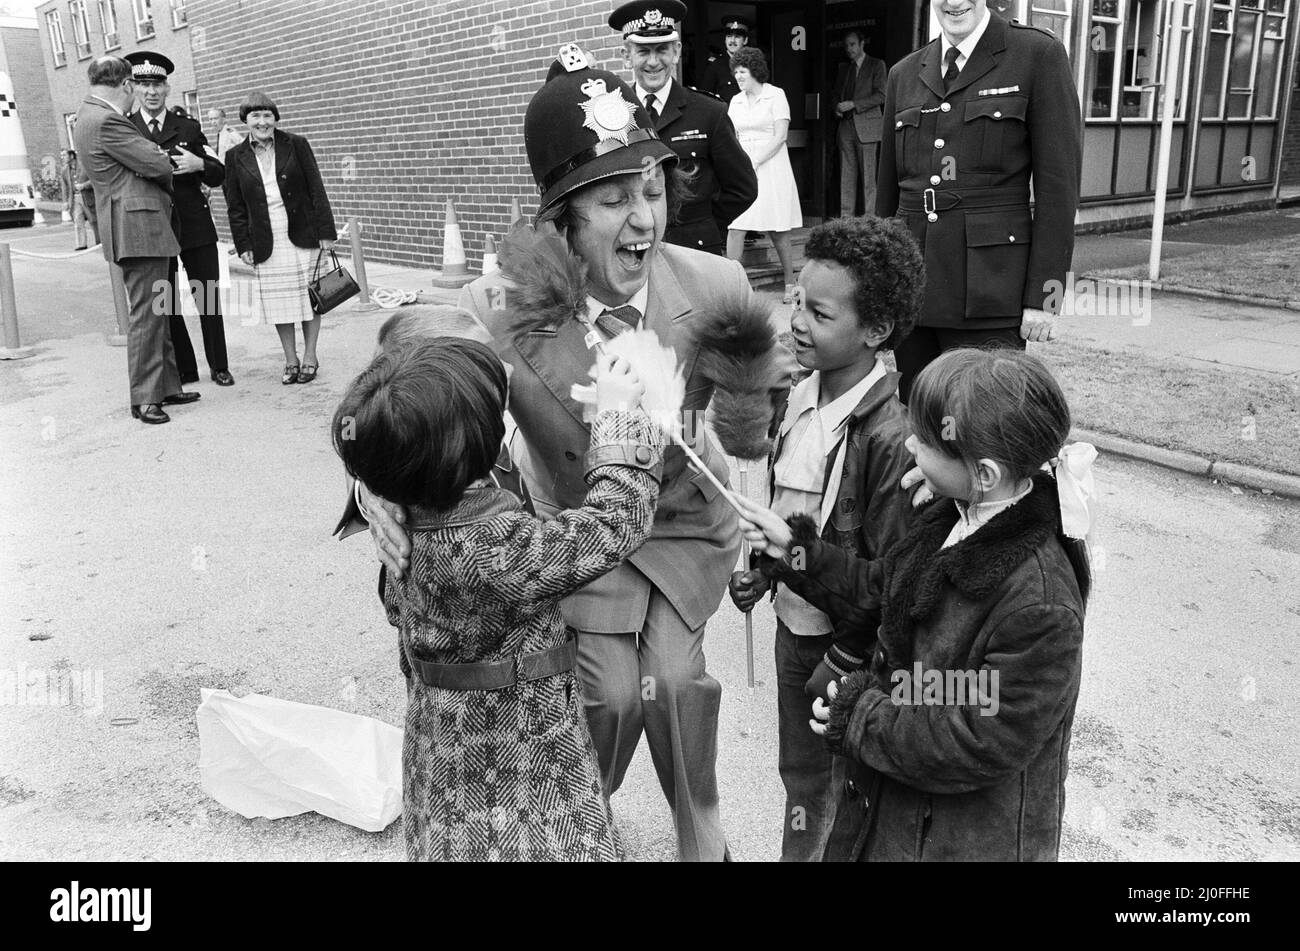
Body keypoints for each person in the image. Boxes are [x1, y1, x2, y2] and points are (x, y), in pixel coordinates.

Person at [362, 46, 789, 862]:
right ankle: (579, 816)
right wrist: (374, 484)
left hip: (690, 531)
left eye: (653, 190)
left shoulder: (716, 284)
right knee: (612, 694)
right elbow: (404, 381)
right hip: (580, 536)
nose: (644, 220)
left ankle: (700, 824)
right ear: (562, 219)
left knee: (675, 680)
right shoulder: (504, 308)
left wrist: (758, 496)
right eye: (613, 199)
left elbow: (764, 411)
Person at [742, 348, 1094, 861]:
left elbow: (980, 734)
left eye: (927, 441)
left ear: (986, 474)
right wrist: (794, 550)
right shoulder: (954, 518)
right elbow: (877, 590)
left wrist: (860, 717)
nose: (909, 443)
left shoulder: (1038, 602)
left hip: (962, 842)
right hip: (901, 817)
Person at [333, 337, 662, 861]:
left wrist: (370, 490)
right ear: (472, 447)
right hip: (524, 759)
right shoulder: (490, 548)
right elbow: (615, 524)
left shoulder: (409, 507)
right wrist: (618, 419)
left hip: (440, 748)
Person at [727, 217, 920, 861]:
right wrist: (762, 568)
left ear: (876, 331)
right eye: (794, 299)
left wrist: (846, 656)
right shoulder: (794, 395)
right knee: (801, 775)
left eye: (820, 312)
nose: (796, 320)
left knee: (842, 785)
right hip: (793, 632)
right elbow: (785, 506)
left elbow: (887, 579)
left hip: (845, 651)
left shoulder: (891, 437)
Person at [877, 0, 1083, 403]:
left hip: (990, 290)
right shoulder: (904, 73)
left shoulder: (1036, 55)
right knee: (919, 419)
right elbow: (887, 193)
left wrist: (1046, 296)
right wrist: (879, 289)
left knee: (986, 423)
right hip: (914, 288)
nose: (954, 3)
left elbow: (1059, 188)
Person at [73, 55, 199, 426]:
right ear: (127, 85)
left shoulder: (87, 115)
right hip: (138, 227)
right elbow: (158, 163)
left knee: (157, 308)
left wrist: (153, 158)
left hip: (133, 227)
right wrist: (158, 157)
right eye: (135, 88)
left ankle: (168, 386)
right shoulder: (108, 119)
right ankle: (145, 398)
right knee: (148, 314)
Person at [611, 0, 757, 255]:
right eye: (643, 51)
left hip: (696, 252)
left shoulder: (710, 112)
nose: (654, 61)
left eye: (662, 49)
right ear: (627, 55)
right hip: (633, 250)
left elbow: (743, 188)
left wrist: (704, 225)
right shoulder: (613, 116)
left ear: (676, 51)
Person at [125, 52, 234, 388]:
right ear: (133, 88)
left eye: (157, 84)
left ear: (167, 87)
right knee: (168, 302)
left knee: (208, 298)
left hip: (195, 226)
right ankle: (185, 369)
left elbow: (219, 173)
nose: (151, 91)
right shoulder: (127, 129)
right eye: (144, 85)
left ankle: (219, 366)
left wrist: (199, 165)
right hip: (155, 227)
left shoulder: (188, 127)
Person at [223, 91, 337, 385]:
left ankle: (310, 356)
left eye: (267, 115)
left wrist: (326, 233)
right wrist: (243, 244)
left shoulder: (296, 144)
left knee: (310, 297)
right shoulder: (235, 157)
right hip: (265, 238)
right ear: (245, 121)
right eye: (255, 116)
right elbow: (235, 207)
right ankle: (291, 359)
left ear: (275, 118)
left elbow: (316, 188)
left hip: (303, 231)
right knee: (280, 303)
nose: (262, 122)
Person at [724, 47, 802, 302]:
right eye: (735, 72)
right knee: (736, 225)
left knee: (778, 229)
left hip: (771, 167)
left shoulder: (775, 95)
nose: (738, 76)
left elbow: (781, 136)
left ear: (755, 71)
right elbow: (730, 134)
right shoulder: (735, 101)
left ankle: (791, 282)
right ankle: (730, 286)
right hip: (743, 166)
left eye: (743, 71)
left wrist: (756, 159)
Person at [834, 28, 887, 218]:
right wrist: (837, 109)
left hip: (867, 126)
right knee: (846, 176)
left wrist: (854, 104)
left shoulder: (876, 65)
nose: (849, 49)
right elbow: (837, 95)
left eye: (852, 44)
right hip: (846, 127)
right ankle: (846, 219)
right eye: (846, 45)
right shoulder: (844, 69)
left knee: (868, 176)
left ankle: (869, 218)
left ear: (862, 44)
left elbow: (882, 95)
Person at [700, 15, 749, 103]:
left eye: (737, 37)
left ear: (745, 40)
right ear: (725, 39)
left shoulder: (752, 64)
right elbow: (705, 99)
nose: (732, 40)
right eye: (729, 36)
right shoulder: (715, 65)